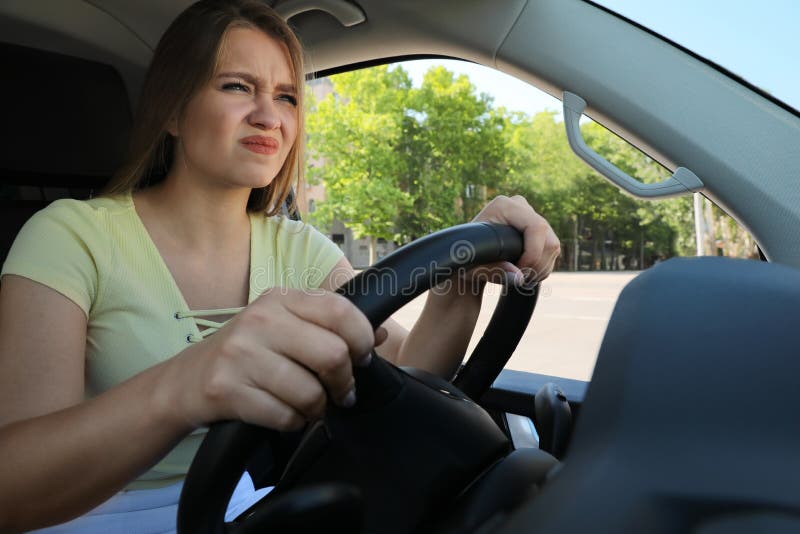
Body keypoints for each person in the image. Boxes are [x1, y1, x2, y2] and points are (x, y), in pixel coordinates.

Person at [0, 0, 561, 531]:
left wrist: (458, 283)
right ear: (172, 110)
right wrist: (183, 384)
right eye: (238, 87)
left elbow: (409, 371)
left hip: (234, 507)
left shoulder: (300, 250)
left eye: (288, 97)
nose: (269, 115)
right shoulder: (69, 235)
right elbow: (13, 482)